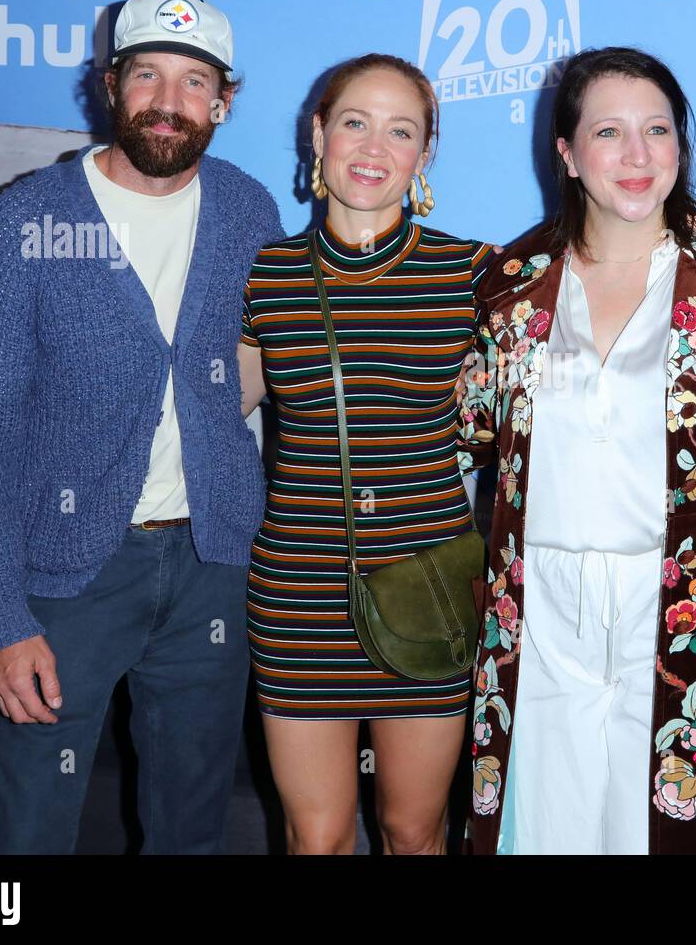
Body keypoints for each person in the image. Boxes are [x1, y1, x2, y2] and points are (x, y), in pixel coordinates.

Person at [0, 0, 284, 853]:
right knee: (27, 834)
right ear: (108, 85)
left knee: (191, 829)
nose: (170, 101)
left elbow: (245, 376)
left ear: (224, 102)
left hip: (212, 565)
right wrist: (1, 622)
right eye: (148, 75)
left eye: (195, 81)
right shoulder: (24, 221)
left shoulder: (247, 210)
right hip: (63, 579)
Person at [457, 47, 696, 855]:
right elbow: (472, 432)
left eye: (658, 131)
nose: (637, 156)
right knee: (540, 831)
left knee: (669, 832)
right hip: (540, 612)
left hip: (682, 608)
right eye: (608, 132)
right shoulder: (508, 284)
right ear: (566, 154)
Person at [238, 53, 494, 855]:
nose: (373, 145)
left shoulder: (476, 274)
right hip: (298, 598)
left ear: (425, 154)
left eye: (401, 129)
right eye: (354, 121)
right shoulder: (265, 274)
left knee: (412, 832)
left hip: (429, 597)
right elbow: (214, 415)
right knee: (315, 839)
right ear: (318, 134)